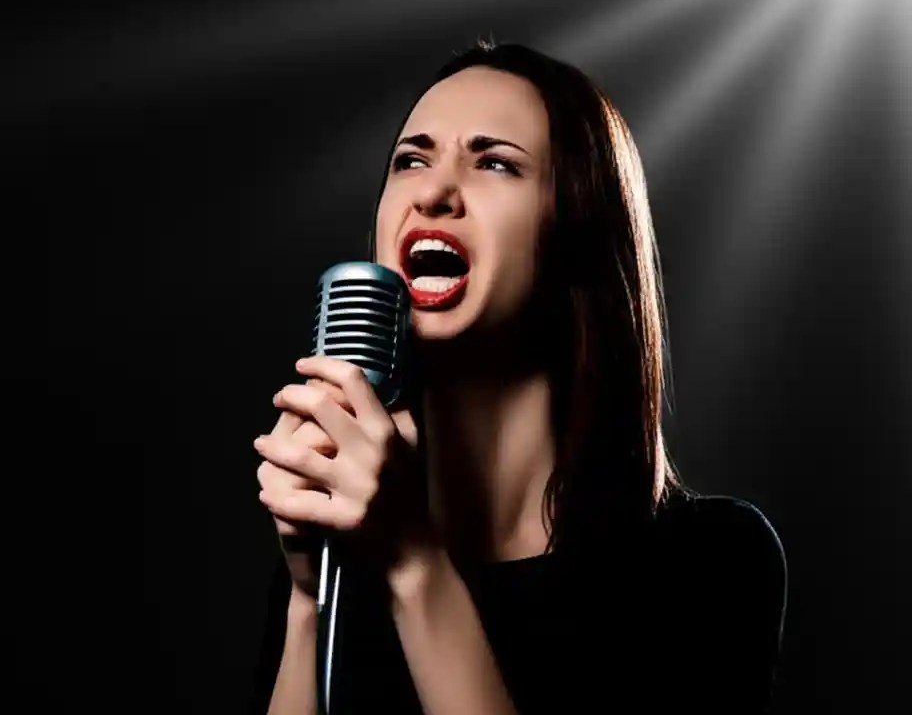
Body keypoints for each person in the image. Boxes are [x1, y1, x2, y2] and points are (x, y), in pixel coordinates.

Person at [246, 41, 788, 714]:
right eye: (411, 160)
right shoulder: (339, 558)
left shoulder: (712, 561)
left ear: (579, 230)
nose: (433, 194)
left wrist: (415, 564)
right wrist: (308, 603)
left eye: (495, 163)